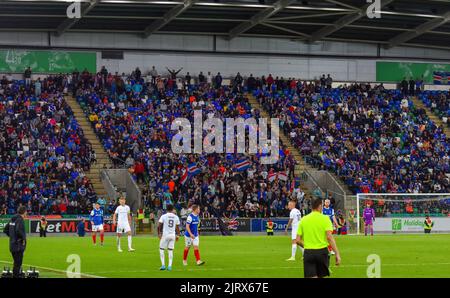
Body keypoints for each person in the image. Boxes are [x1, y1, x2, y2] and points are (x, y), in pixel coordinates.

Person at [296, 197, 341, 278]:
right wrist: (337, 254)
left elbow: (297, 240)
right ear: (320, 206)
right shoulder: (325, 219)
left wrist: (307, 246)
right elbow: (329, 237)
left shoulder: (304, 219)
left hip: (309, 252)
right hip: (322, 252)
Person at [3, 206, 27, 278]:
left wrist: (12, 237)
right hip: (18, 246)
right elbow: (18, 230)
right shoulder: (20, 219)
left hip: (12, 245)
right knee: (18, 264)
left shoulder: (12, 219)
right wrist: (23, 238)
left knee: (16, 263)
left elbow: (5, 230)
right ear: (24, 212)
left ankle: (15, 275)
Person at [158, 204, 180, 271]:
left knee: (161, 249)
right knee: (170, 250)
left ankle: (163, 265)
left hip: (165, 235)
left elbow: (160, 225)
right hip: (172, 235)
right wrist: (178, 235)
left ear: (166, 209)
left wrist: (159, 233)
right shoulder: (176, 217)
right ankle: (170, 266)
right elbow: (177, 227)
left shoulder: (163, 216)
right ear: (172, 209)